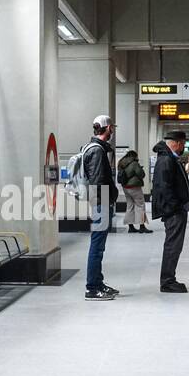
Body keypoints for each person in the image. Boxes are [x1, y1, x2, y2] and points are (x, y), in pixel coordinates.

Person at [151, 130, 189, 292]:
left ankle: (169, 279)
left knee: (174, 245)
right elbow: (164, 187)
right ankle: (168, 281)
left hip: (174, 210)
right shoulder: (166, 160)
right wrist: (176, 207)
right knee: (173, 246)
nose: (183, 146)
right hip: (173, 211)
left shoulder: (169, 158)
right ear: (175, 142)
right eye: (182, 143)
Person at [83, 114, 119, 301]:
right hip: (101, 204)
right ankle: (92, 287)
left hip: (100, 203)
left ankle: (98, 282)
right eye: (111, 127)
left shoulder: (94, 148)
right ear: (106, 128)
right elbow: (98, 181)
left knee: (99, 246)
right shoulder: (97, 151)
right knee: (97, 247)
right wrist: (106, 202)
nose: (113, 130)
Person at [117, 150, 151, 233]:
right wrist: (140, 169)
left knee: (130, 206)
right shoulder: (134, 163)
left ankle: (131, 227)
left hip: (125, 187)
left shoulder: (121, 162)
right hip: (134, 187)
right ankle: (142, 226)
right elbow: (141, 174)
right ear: (134, 156)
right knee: (140, 206)